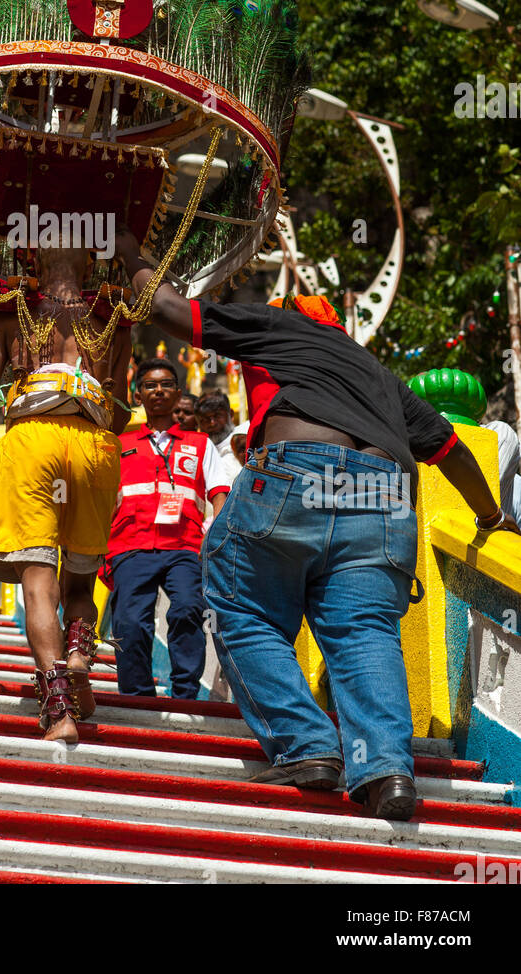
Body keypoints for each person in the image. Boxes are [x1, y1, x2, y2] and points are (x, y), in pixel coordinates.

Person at [115, 227, 514, 820]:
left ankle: (308, 748)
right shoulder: (379, 375)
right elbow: (453, 451)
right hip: (382, 496)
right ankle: (386, 772)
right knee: (364, 636)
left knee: (246, 610)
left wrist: (127, 250)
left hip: (295, 474)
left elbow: (172, 309)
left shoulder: (282, 326)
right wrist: (492, 518)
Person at [0, 247, 131, 742]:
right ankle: (80, 652)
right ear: (93, 261)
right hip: (93, 445)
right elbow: (121, 408)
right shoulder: (115, 317)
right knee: (79, 582)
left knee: (38, 581)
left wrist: (5, 386)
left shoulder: (11, 310)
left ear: (32, 259)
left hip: (33, 437)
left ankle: (58, 710)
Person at [105, 358, 229, 699]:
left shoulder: (200, 444)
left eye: (165, 385)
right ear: (138, 395)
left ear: (177, 394)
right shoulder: (119, 444)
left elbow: (219, 491)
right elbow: (102, 498)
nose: (158, 391)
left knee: (189, 608)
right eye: (149, 386)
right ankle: (136, 694)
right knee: (130, 621)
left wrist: (213, 538)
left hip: (186, 546)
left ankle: (186, 693)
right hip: (130, 545)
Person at [196, 390, 234, 457]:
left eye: (217, 416)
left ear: (230, 415)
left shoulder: (245, 442)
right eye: (206, 419)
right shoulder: (197, 450)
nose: (212, 423)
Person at [219, 419, 250, 486]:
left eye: (251, 448)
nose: (247, 453)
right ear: (234, 450)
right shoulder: (224, 465)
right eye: (242, 449)